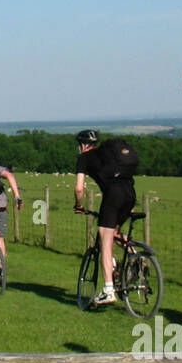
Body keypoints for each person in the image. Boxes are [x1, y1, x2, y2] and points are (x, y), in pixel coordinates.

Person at [73, 130, 136, 306]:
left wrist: (78, 205)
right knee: (115, 232)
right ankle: (136, 255)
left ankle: (108, 290)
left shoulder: (83, 159)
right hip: (130, 193)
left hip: (113, 196)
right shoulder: (108, 152)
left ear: (83, 144)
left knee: (105, 241)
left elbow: (79, 189)